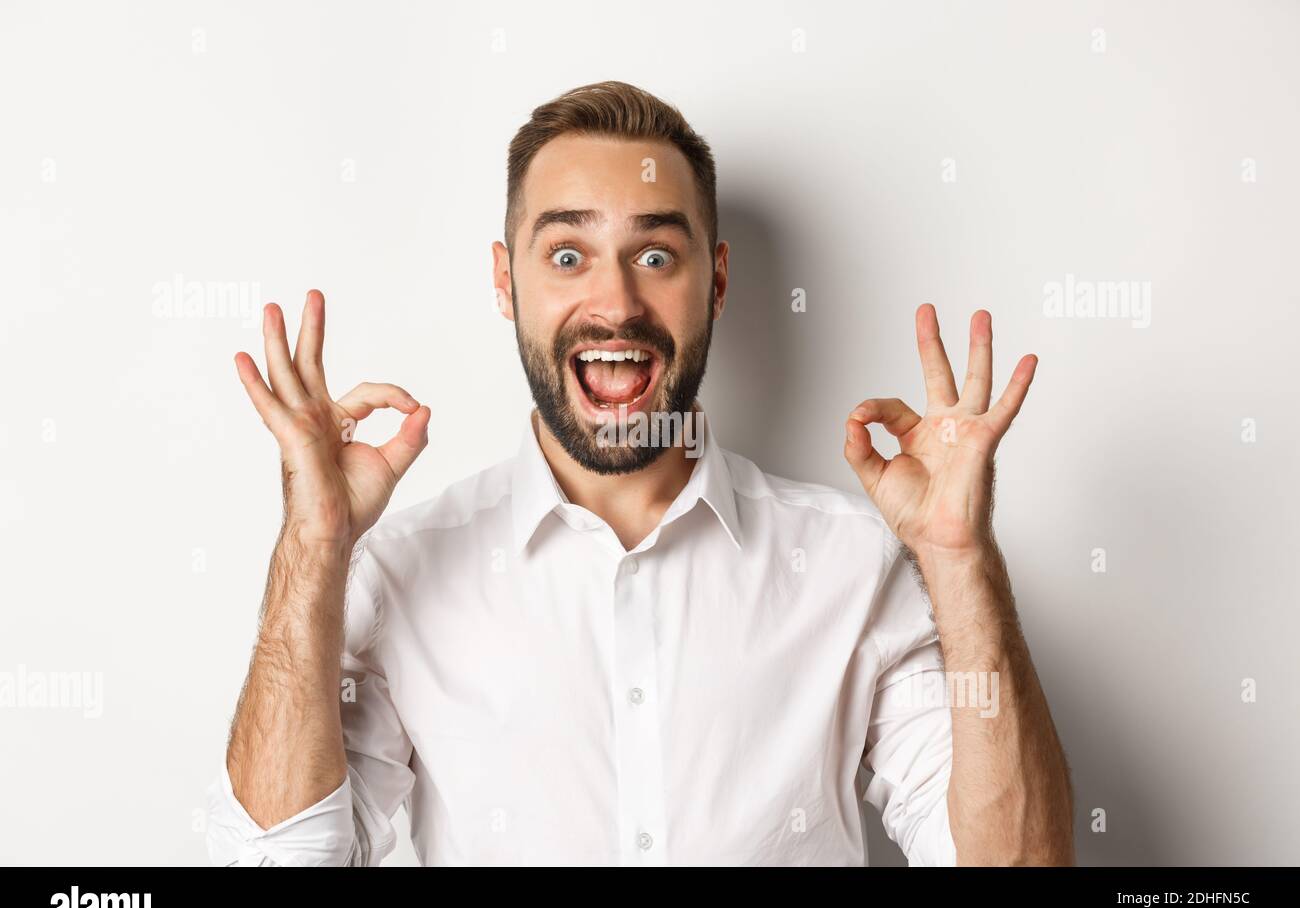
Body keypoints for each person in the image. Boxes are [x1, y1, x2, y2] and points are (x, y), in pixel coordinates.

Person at [204, 80, 1073, 866]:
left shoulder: (851, 568)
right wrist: (314, 546)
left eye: (655, 256)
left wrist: (960, 557)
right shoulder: (403, 574)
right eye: (568, 255)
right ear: (506, 283)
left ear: (717, 282)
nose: (615, 303)